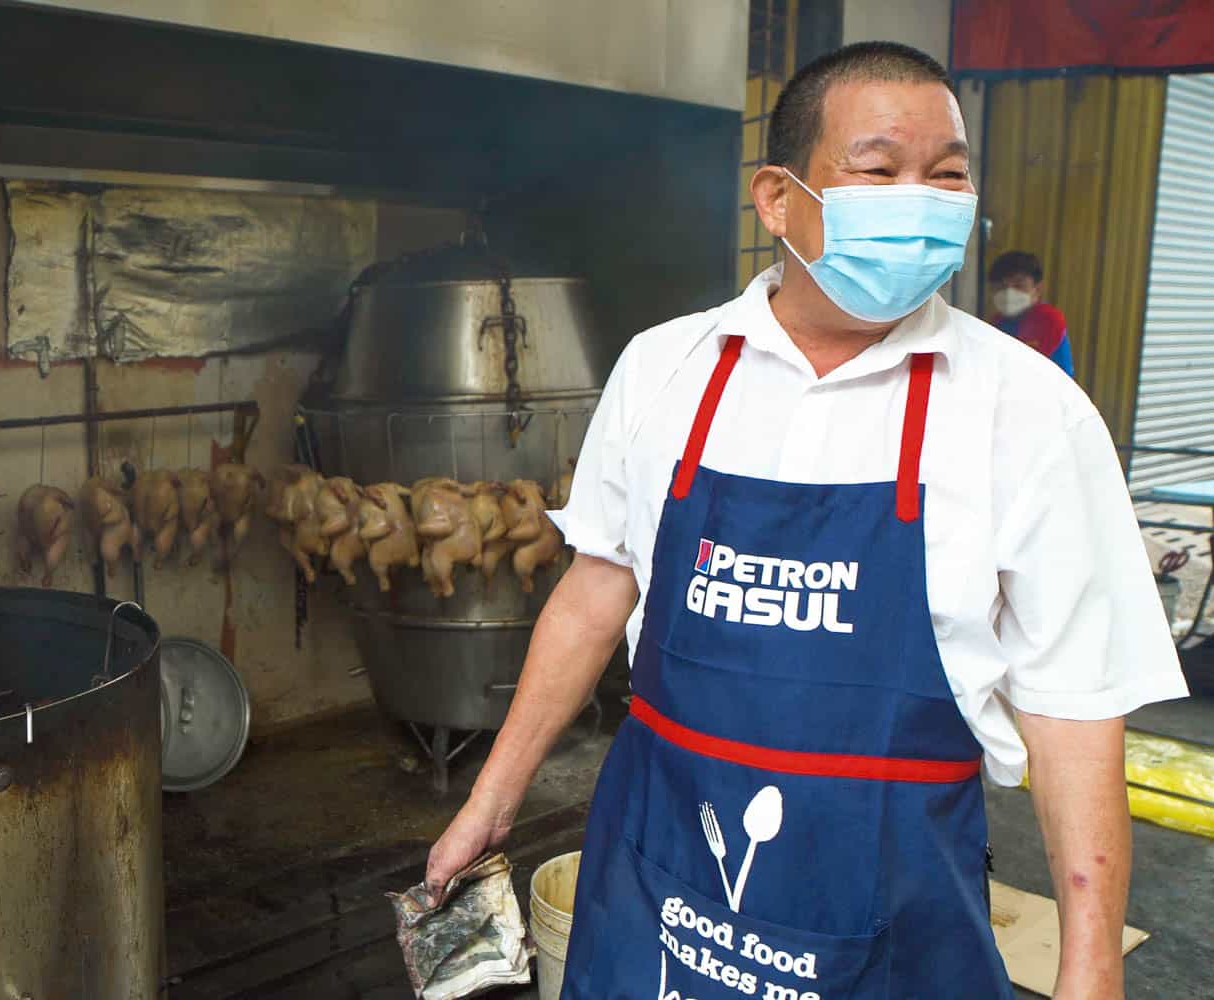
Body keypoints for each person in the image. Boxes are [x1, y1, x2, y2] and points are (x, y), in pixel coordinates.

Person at [425, 41, 1186, 1000]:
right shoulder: (665, 368)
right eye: (879, 171)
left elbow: (1074, 708)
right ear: (778, 199)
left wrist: (1090, 967)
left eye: (947, 175)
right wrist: (490, 804)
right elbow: (596, 590)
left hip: (887, 918)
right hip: (662, 890)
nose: (921, 200)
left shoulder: (1030, 413)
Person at [989, 249, 1074, 375]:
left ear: (1037, 289)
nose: (1008, 293)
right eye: (1001, 287)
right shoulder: (997, 322)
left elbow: (1026, 370)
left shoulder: (1048, 319)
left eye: (1019, 285)